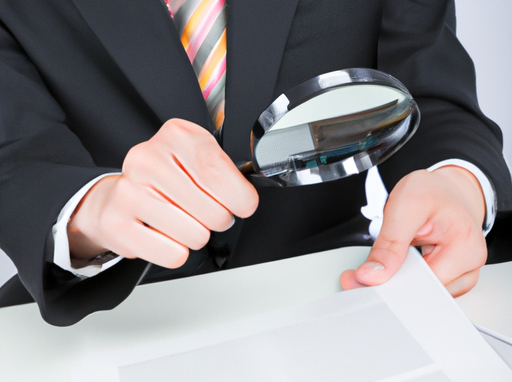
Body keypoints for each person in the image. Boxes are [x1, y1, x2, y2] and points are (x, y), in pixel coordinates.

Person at [0, 0, 510, 326]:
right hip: (102, 316)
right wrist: (90, 211)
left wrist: (458, 185)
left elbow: (427, 94)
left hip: (336, 294)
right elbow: (15, 157)